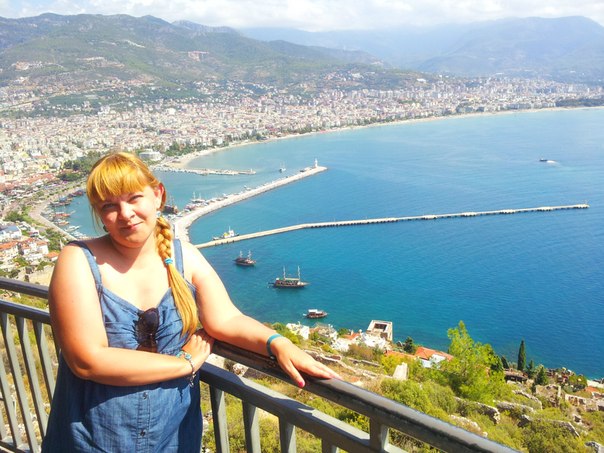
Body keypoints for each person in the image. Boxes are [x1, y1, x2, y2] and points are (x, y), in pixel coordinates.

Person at [43, 151, 339, 452]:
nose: (126, 213)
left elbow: (226, 319)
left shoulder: (184, 257)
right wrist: (184, 363)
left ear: (158, 195)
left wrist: (277, 343)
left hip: (172, 437)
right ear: (99, 213)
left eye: (134, 198)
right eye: (110, 206)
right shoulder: (78, 260)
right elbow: (87, 360)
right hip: (95, 440)